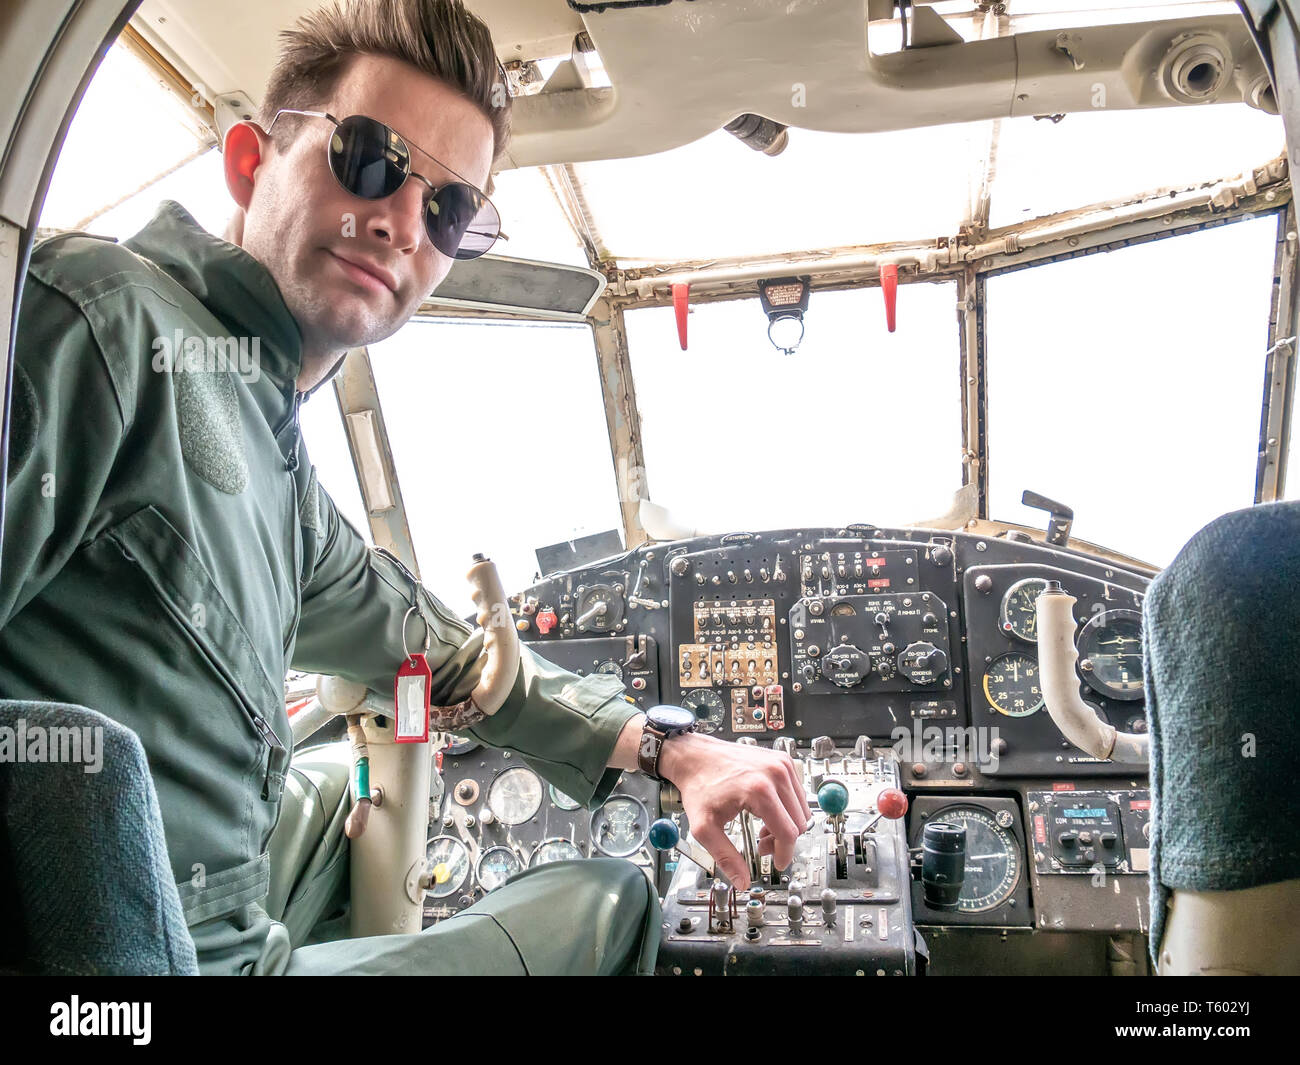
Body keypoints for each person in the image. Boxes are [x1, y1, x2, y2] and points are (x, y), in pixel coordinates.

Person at [0, 0, 809, 974]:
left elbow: (456, 663)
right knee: (609, 898)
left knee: (344, 774)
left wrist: (677, 749)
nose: (397, 221)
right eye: (369, 159)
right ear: (249, 161)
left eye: (449, 208)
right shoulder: (94, 327)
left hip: (212, 907)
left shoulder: (267, 461)